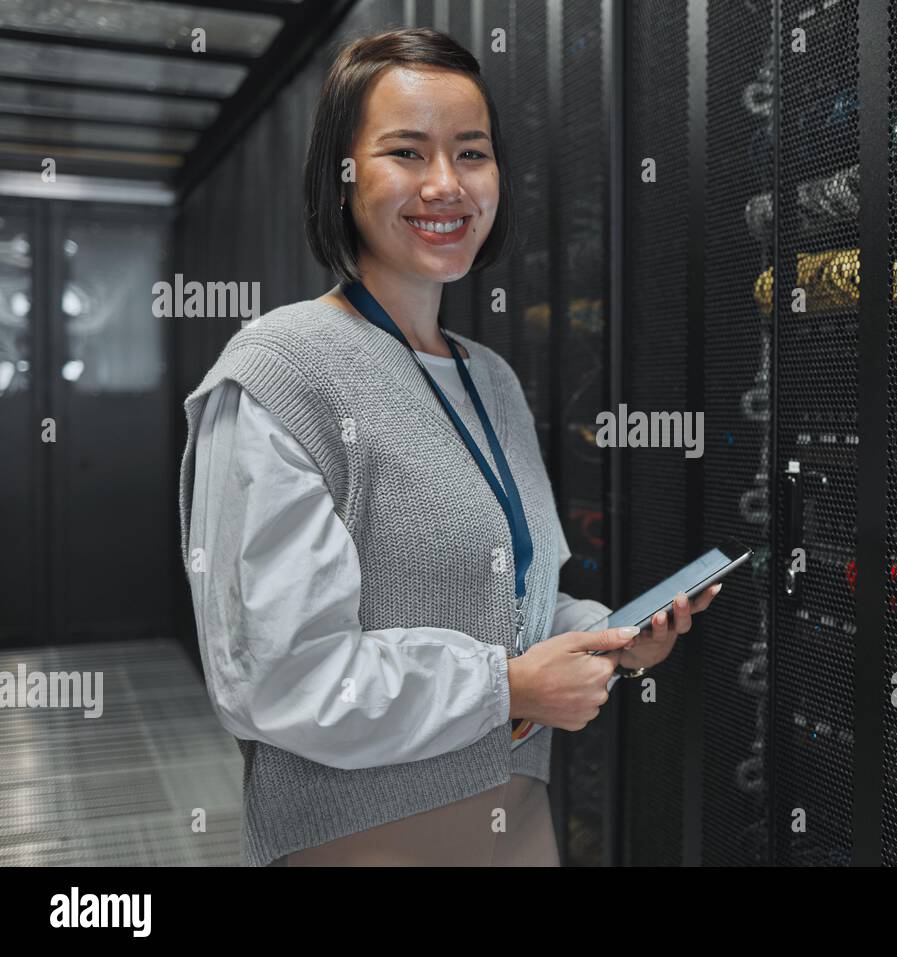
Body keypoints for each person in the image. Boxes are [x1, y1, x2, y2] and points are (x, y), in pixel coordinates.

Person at [176, 28, 720, 867]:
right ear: (342, 173)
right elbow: (278, 674)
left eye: (472, 152)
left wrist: (602, 635)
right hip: (357, 839)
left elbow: (498, 607)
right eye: (406, 151)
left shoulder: (488, 377)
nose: (446, 184)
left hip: (514, 817)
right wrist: (507, 687)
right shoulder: (280, 373)